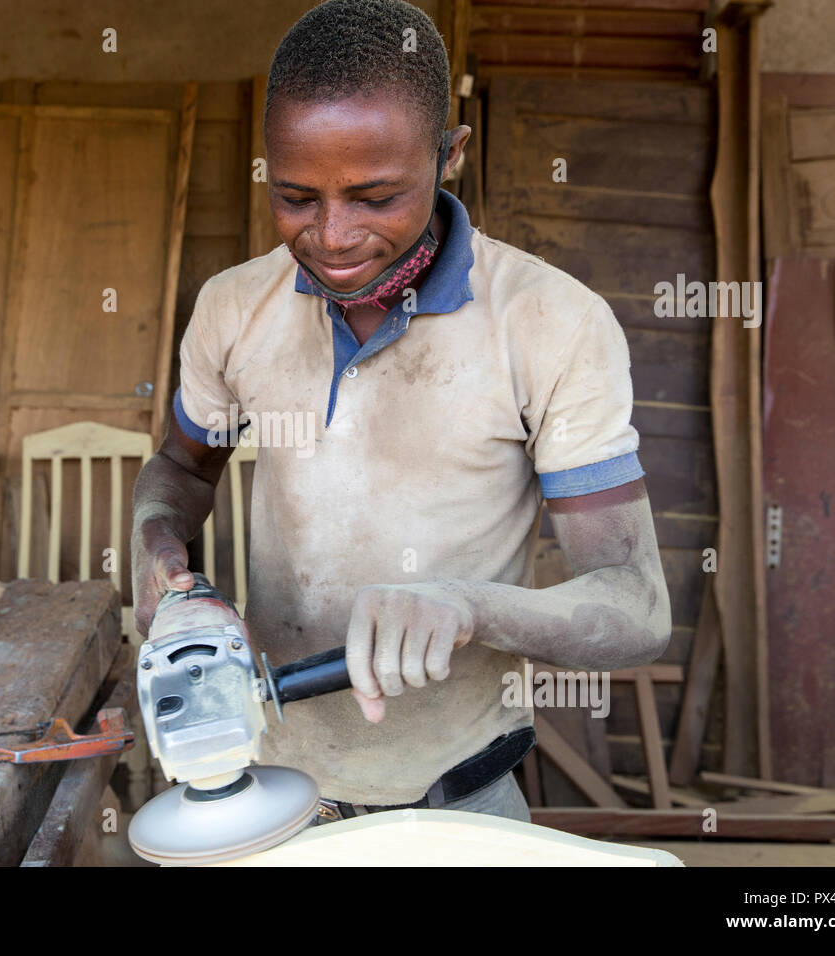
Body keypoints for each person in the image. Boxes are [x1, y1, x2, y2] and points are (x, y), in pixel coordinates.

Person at [130, 0, 670, 823]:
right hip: (265, 785)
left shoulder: (551, 322)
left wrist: (470, 607)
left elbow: (636, 606)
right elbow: (179, 468)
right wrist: (163, 566)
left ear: (450, 155)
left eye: (375, 196)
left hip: (457, 794)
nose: (333, 235)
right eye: (296, 197)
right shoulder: (233, 307)